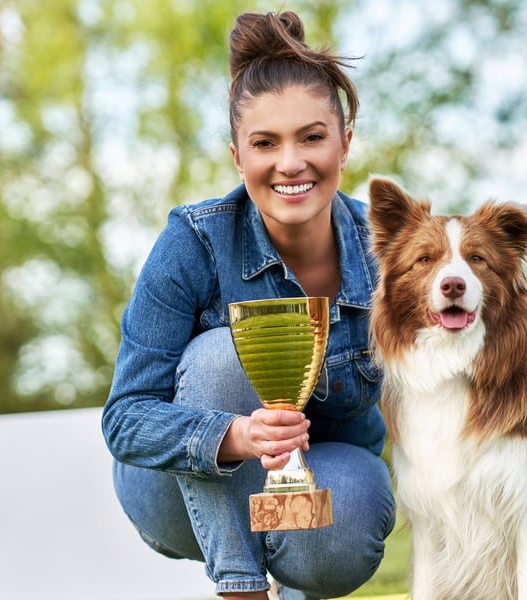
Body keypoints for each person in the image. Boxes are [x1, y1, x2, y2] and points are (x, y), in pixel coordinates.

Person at [102, 10, 395, 600]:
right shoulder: (194, 241)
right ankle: (241, 588)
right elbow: (125, 417)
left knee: (357, 503)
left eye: (312, 136)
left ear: (346, 143)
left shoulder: (388, 252)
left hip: (319, 488)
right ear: (238, 156)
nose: (290, 163)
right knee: (220, 357)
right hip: (174, 490)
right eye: (266, 143)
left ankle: (299, 585)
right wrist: (234, 435)